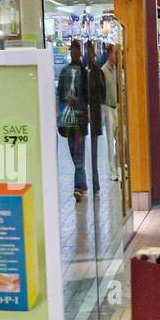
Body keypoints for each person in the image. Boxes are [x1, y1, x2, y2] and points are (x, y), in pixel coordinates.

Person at [57, 39, 89, 202]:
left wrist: (80, 105)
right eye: (73, 51)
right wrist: (65, 102)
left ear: (80, 53)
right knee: (74, 153)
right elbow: (59, 94)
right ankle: (82, 184)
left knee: (79, 154)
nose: (75, 53)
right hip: (68, 121)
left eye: (77, 50)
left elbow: (87, 96)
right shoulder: (65, 72)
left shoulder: (84, 73)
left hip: (79, 120)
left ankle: (78, 187)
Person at [86, 46, 106, 194]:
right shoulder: (90, 72)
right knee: (87, 152)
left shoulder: (96, 72)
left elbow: (102, 94)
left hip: (93, 116)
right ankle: (92, 182)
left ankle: (95, 182)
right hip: (89, 116)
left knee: (93, 152)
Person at [100, 44, 120, 182]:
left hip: (117, 107)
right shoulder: (104, 70)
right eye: (115, 53)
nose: (117, 56)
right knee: (110, 142)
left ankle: (118, 167)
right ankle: (113, 171)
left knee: (120, 141)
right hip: (108, 108)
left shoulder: (117, 70)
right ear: (109, 54)